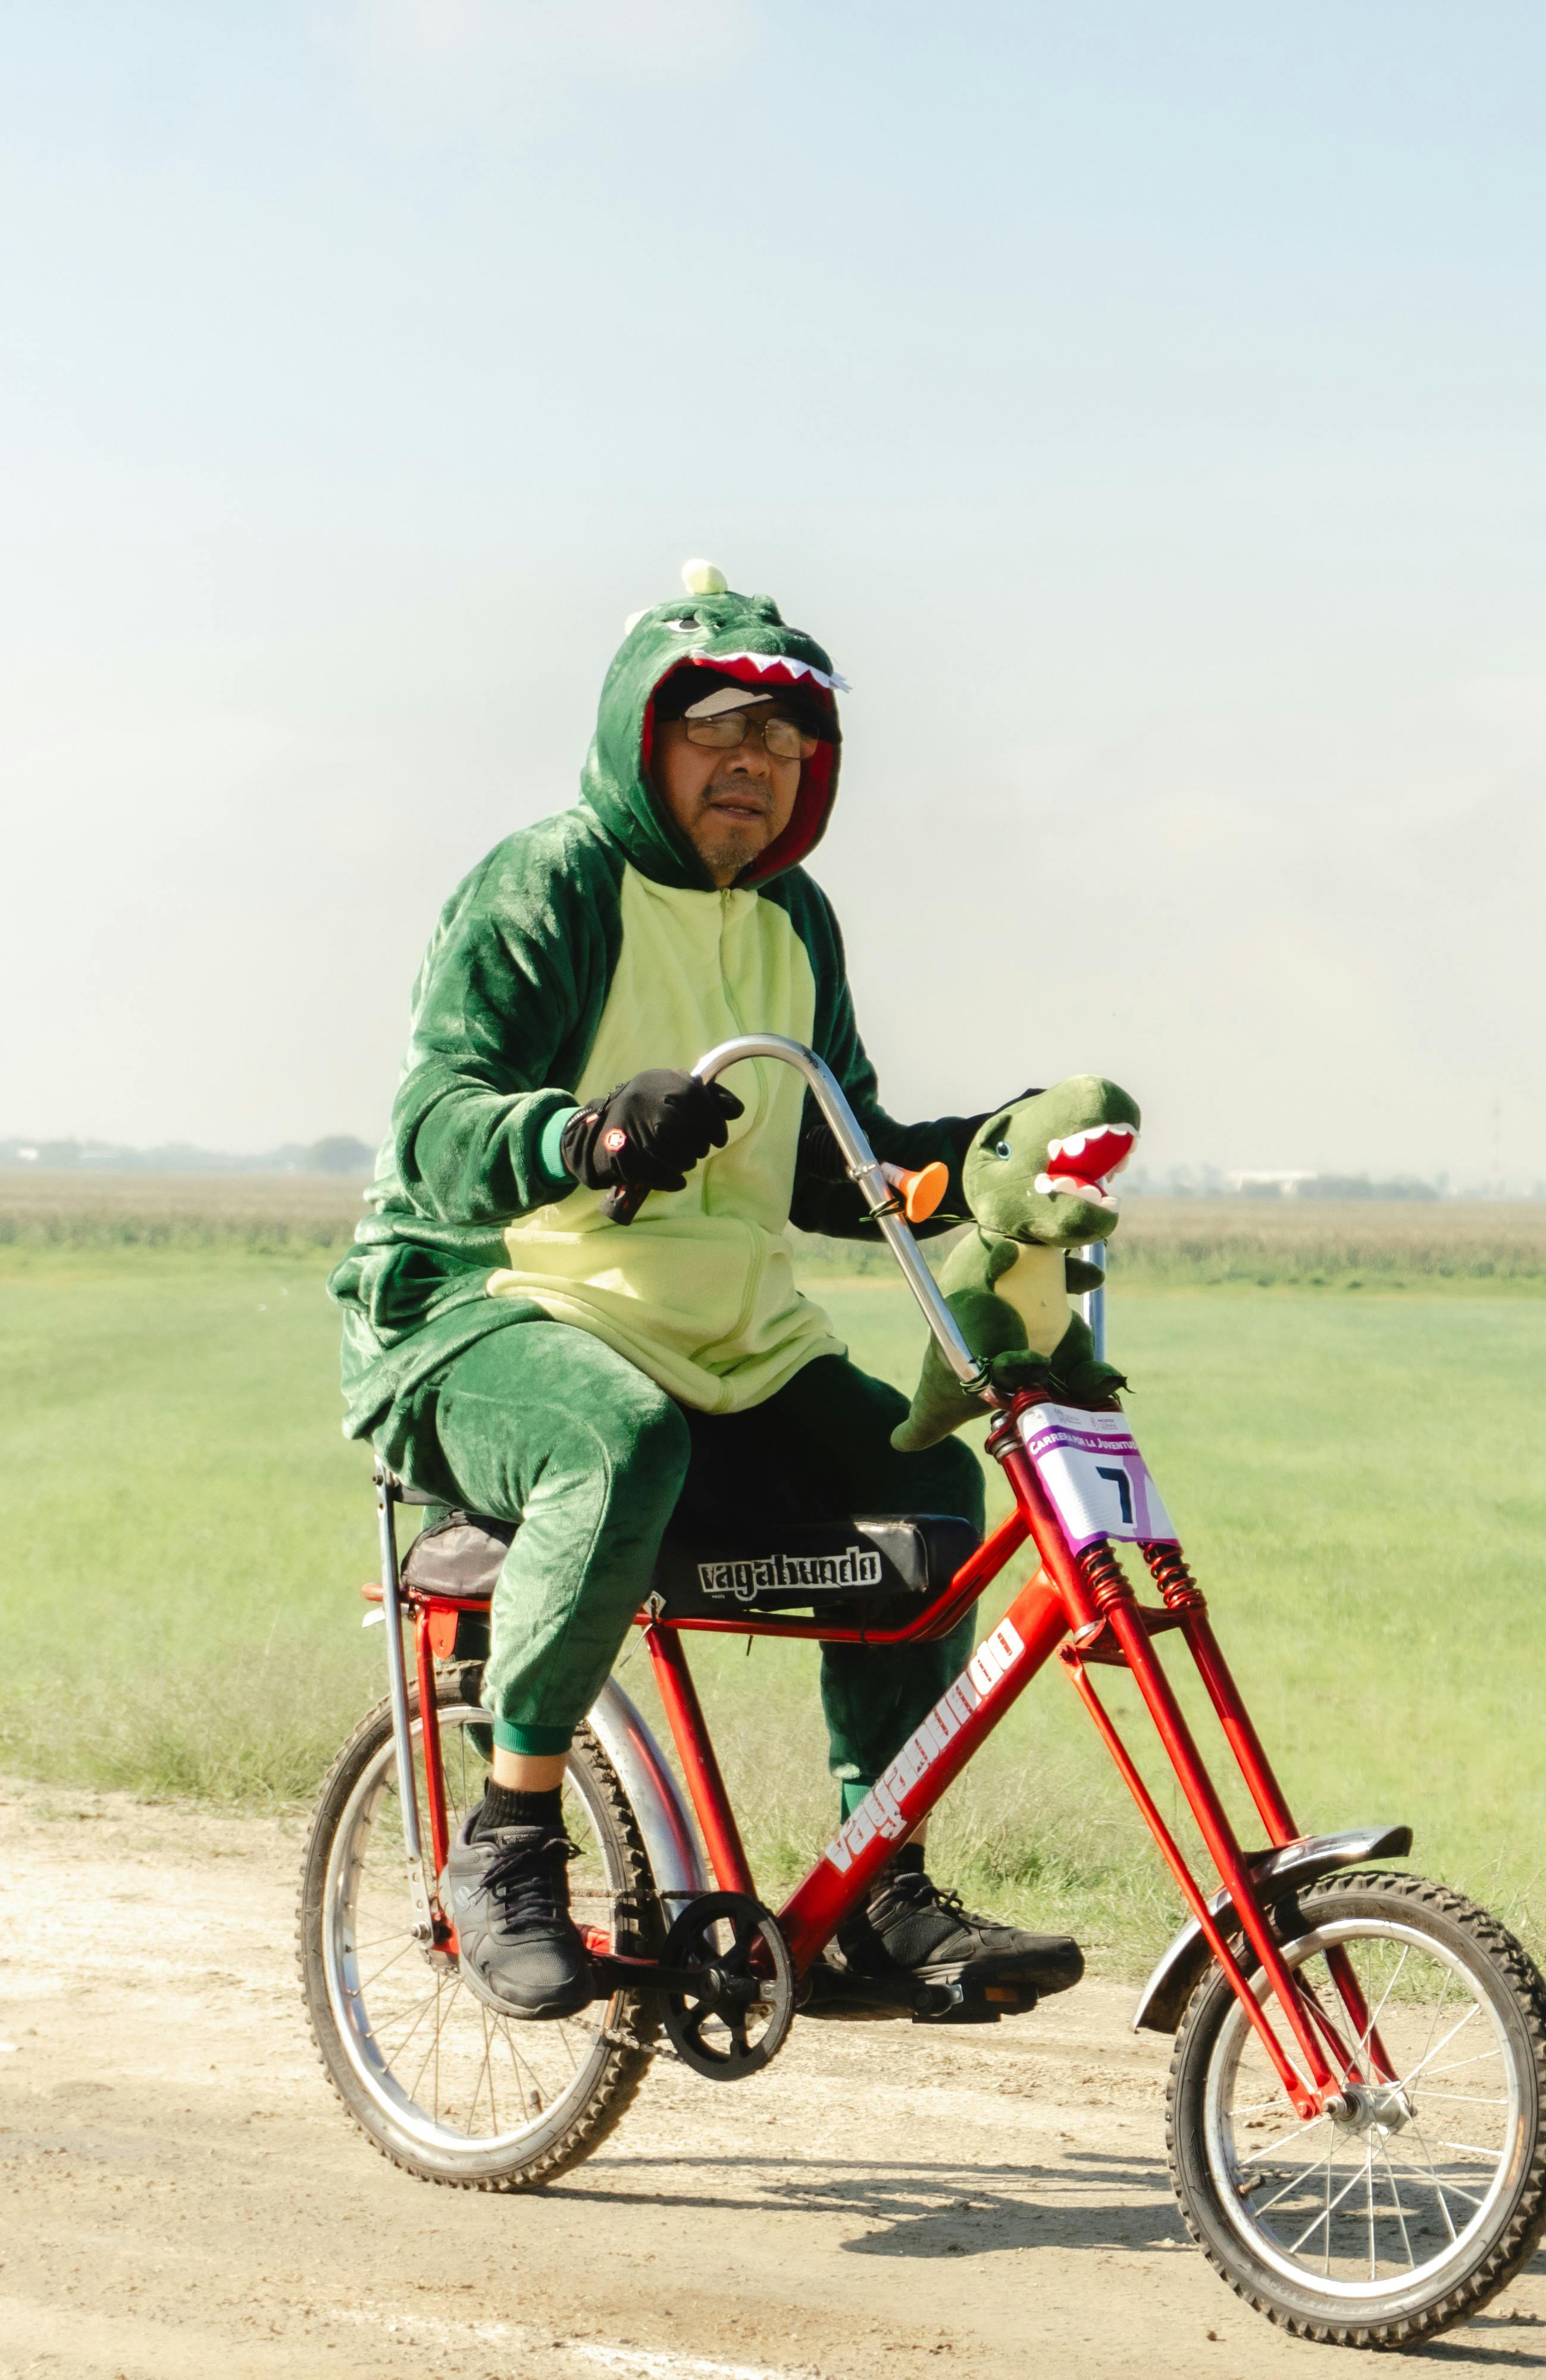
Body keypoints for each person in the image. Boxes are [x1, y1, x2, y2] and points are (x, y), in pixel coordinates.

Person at [328, 560, 1083, 2023]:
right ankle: (510, 1843)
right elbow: (435, 1120)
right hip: (483, 1310)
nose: (753, 767)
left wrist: (997, 1158)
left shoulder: (798, 920)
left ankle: (875, 1885)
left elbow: (833, 1165)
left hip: (725, 1343)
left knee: (919, 1474)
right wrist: (589, 1129)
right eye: (719, 732)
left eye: (784, 746)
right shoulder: (552, 882)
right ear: (644, 739)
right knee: (614, 1439)